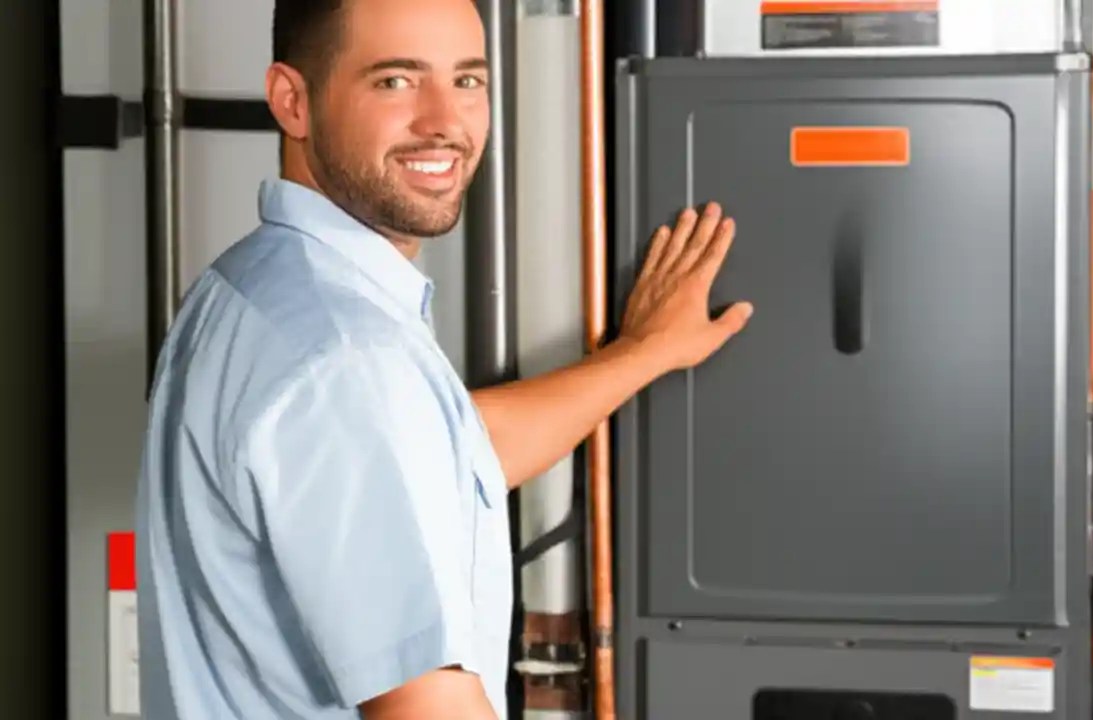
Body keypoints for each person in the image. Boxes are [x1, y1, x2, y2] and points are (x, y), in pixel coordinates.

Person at [133, 0, 752, 717]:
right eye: (395, 81)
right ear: (292, 100)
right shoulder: (348, 360)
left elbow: (441, 454)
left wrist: (644, 352)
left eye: (467, 80)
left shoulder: (251, 287)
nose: (445, 122)